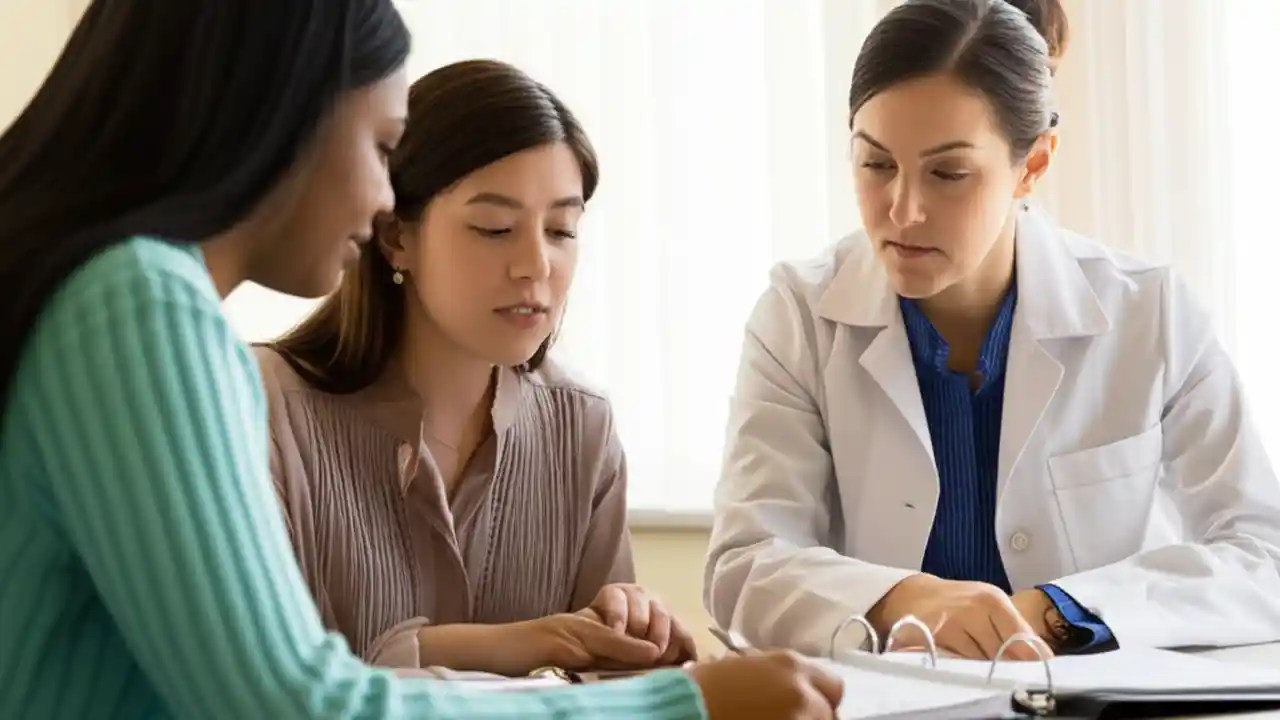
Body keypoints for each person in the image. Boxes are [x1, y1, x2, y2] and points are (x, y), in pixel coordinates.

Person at [0, 2, 843, 718]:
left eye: (562, 227)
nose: (376, 201)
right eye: (380, 145)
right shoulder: (145, 305)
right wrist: (687, 702)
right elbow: (298, 704)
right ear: (279, 114)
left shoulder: (116, 291)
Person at [704, 0, 1280, 664]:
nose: (903, 210)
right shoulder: (799, 315)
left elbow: (1263, 554)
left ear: (1033, 163)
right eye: (876, 164)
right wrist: (903, 601)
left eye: (948, 173)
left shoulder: (1150, 312)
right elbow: (746, 563)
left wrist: (1066, 610)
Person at [258, 60, 696, 675]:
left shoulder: (583, 428)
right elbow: (266, 688)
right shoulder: (266, 411)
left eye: (561, 230)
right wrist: (515, 645)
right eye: (495, 228)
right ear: (395, 237)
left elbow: (604, 688)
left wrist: (630, 632)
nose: (536, 266)